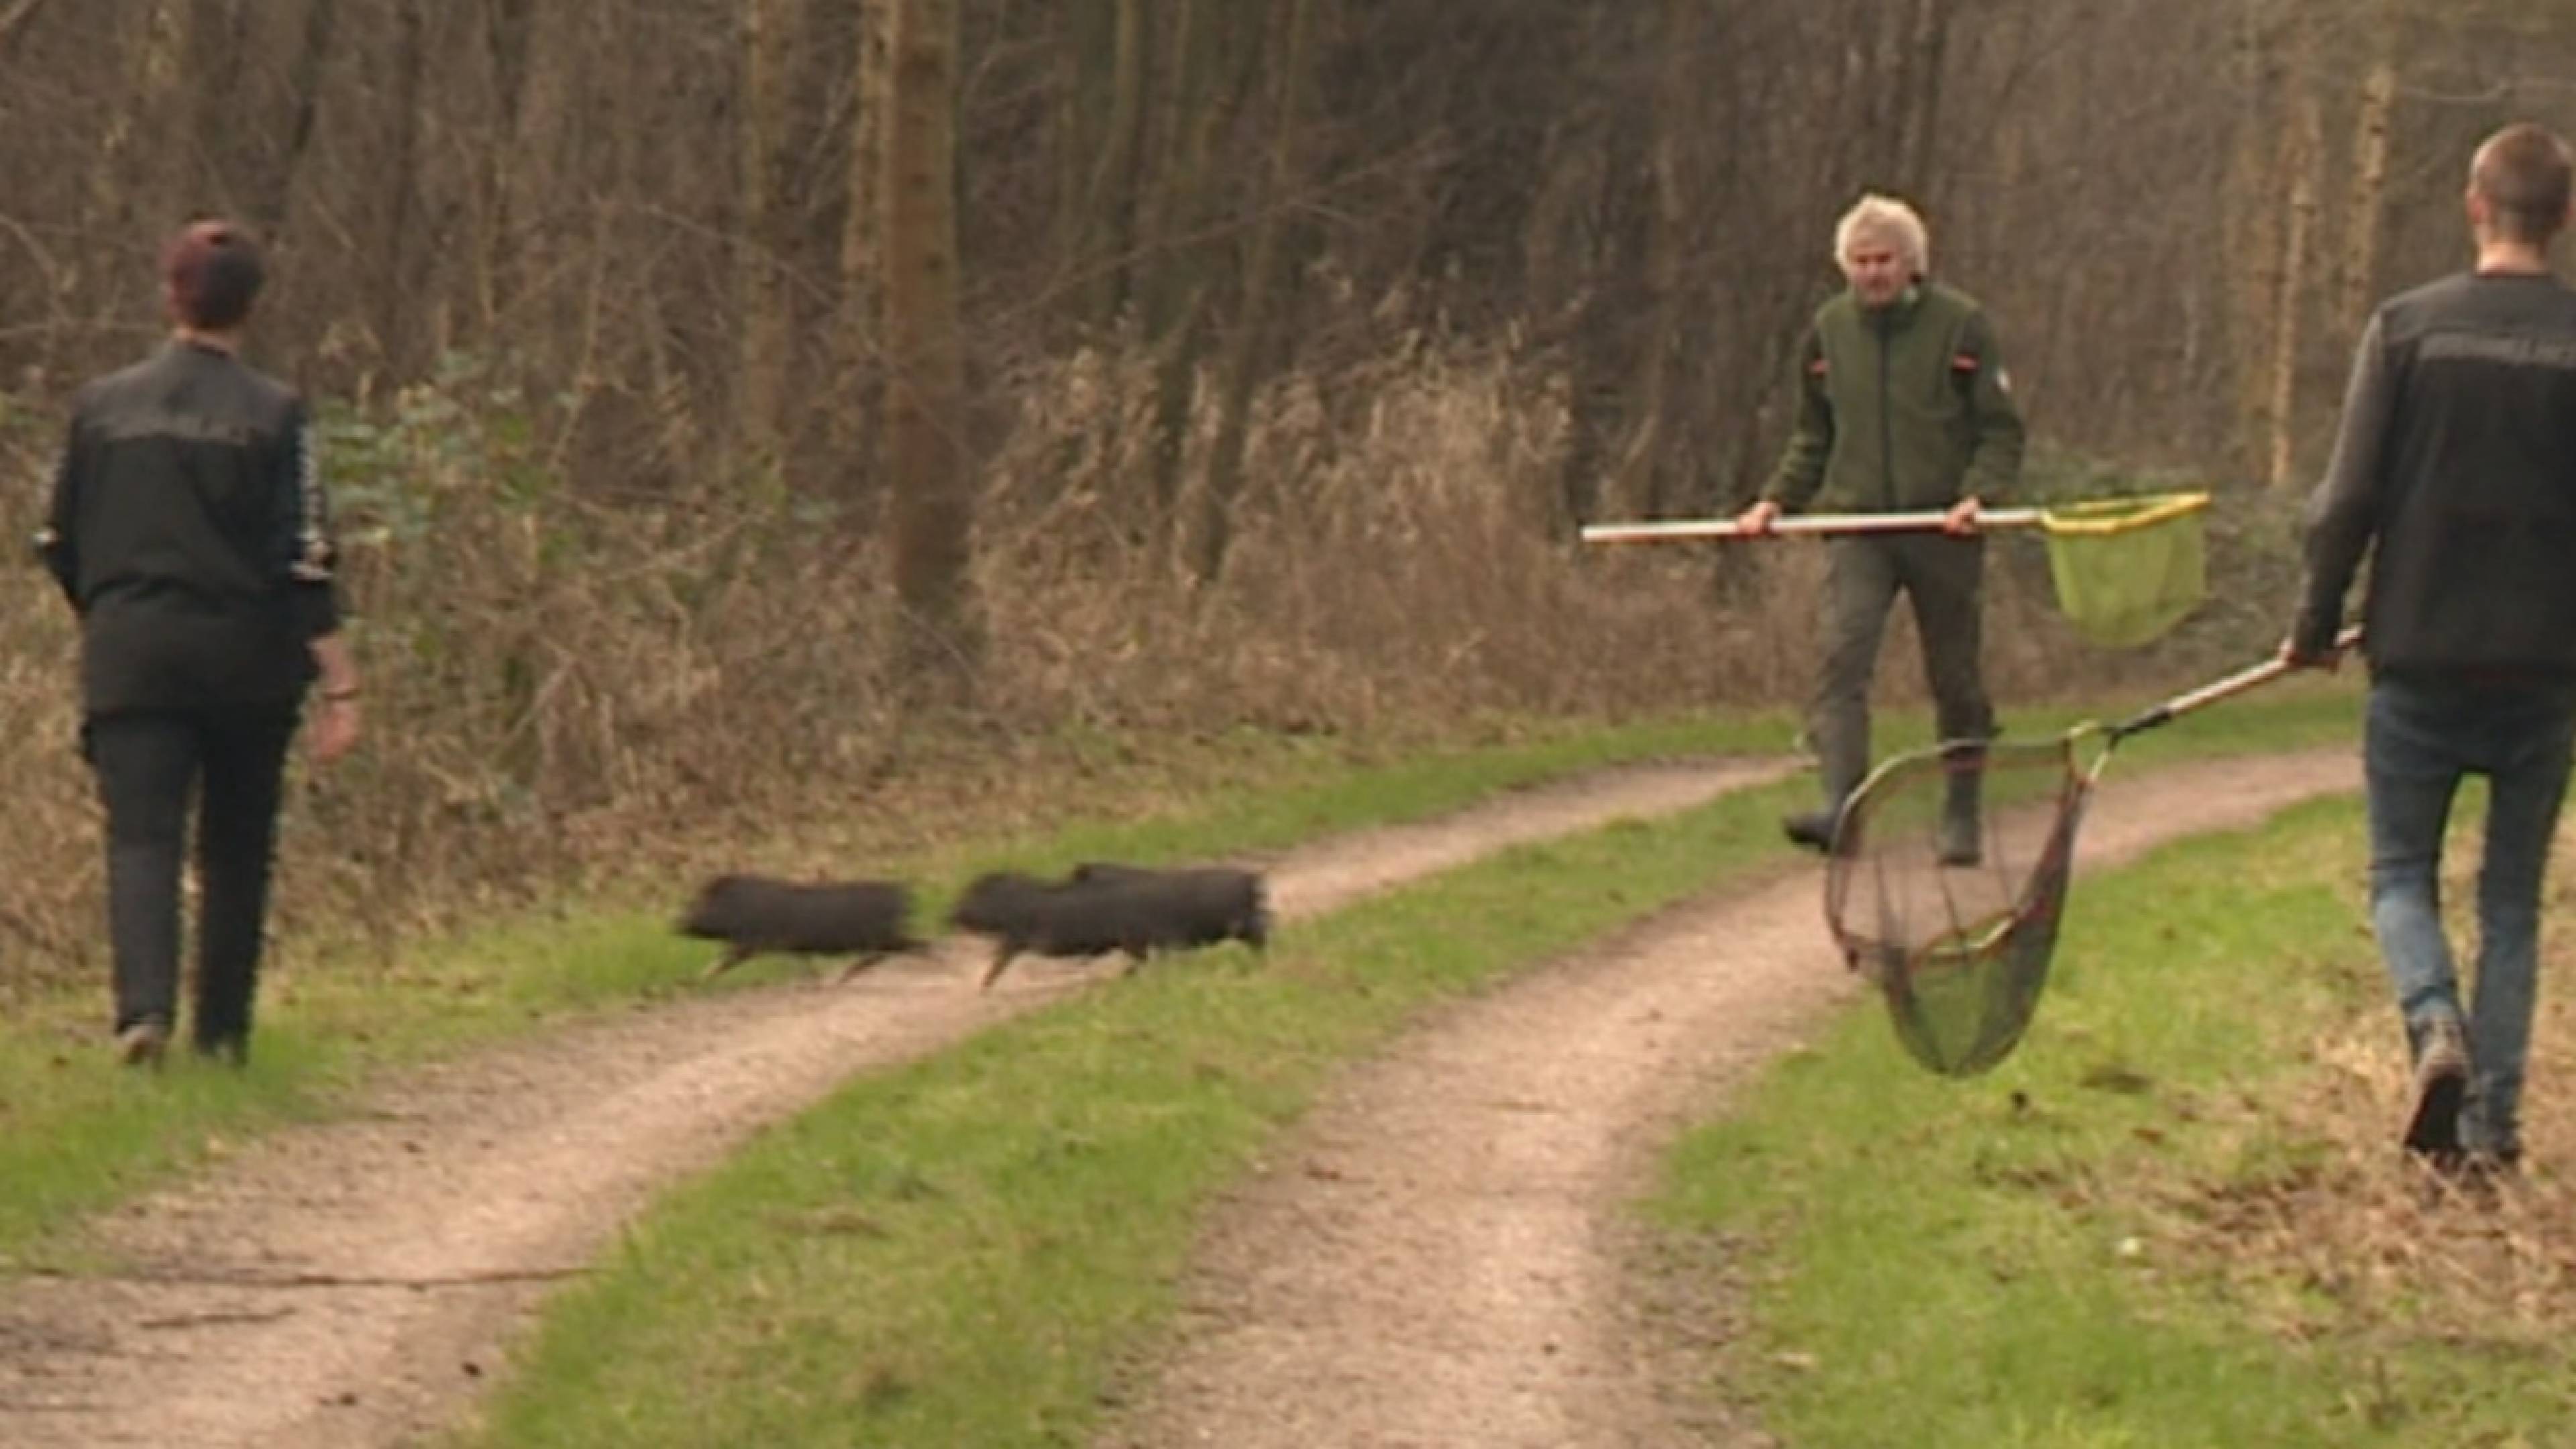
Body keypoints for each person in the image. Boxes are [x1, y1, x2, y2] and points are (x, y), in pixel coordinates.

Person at [2287, 123, 2576, 1173]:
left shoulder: (2408, 331)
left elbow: (2347, 500)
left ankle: (2432, 1024)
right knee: (2510, 900)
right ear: (2567, 218)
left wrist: (2315, 624)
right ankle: (2491, 1137)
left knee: (2400, 873)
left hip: (2418, 655)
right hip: (2544, 673)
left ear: (2473, 205)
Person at [36, 219, 362, 1067]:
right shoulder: (276, 414)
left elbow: (52, 538)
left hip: (130, 650)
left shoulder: (100, 409)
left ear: (169, 293)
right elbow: (305, 554)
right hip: (246, 662)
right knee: (237, 846)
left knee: (141, 837)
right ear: (251, 305)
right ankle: (222, 1035)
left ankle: (142, 1013)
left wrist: (106, 610)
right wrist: (340, 683)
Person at [1736, 193, 2026, 860]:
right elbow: (1814, 435)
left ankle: (1960, 814)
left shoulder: (1961, 327)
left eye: (1885, 260)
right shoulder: (1827, 332)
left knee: (1953, 675)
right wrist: (1774, 501)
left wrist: (1978, 495)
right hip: (1859, 525)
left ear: (1910, 263)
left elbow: (1999, 431)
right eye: (1861, 261)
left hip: (1942, 529)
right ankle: (1843, 808)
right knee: (1843, 659)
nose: (1873, 273)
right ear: (1845, 265)